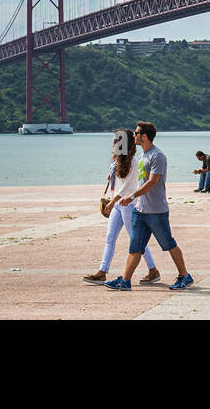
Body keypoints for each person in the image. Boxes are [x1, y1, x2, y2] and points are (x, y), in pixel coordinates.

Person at [105, 121, 194, 291]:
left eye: (136, 133)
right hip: (140, 210)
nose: (133, 136)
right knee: (135, 246)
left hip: (156, 211)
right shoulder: (142, 155)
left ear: (144, 136)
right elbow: (137, 180)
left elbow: (153, 181)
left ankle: (184, 275)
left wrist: (131, 196)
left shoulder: (157, 156)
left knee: (168, 243)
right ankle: (125, 280)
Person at [83, 129, 160, 284]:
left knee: (136, 240)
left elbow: (126, 187)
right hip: (118, 205)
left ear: (122, 143)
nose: (113, 143)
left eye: (115, 140)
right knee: (110, 239)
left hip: (128, 205)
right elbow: (117, 182)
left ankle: (153, 270)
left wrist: (112, 202)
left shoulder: (133, 162)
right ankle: (102, 272)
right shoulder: (116, 160)